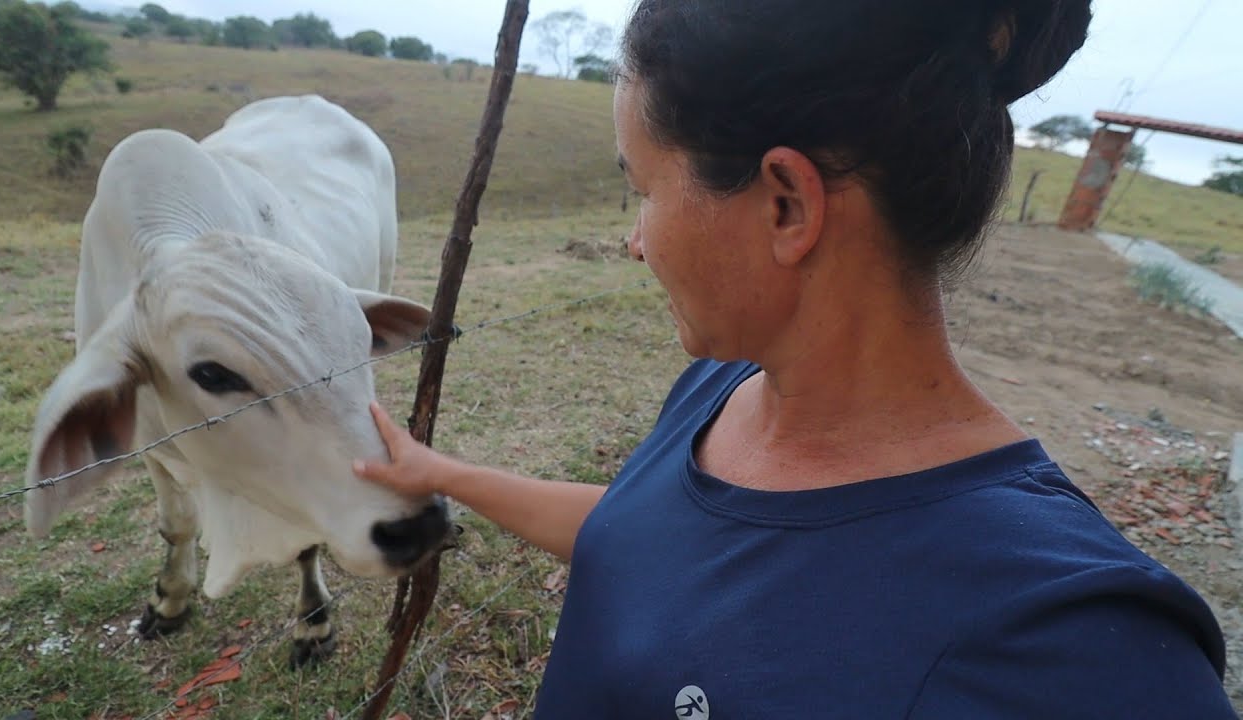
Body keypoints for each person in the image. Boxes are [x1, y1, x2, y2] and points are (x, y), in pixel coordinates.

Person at [353, 0, 1238, 716]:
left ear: (785, 205)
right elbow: (644, 541)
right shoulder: (719, 392)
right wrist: (443, 473)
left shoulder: (1068, 645)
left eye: (644, 190)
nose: (634, 241)